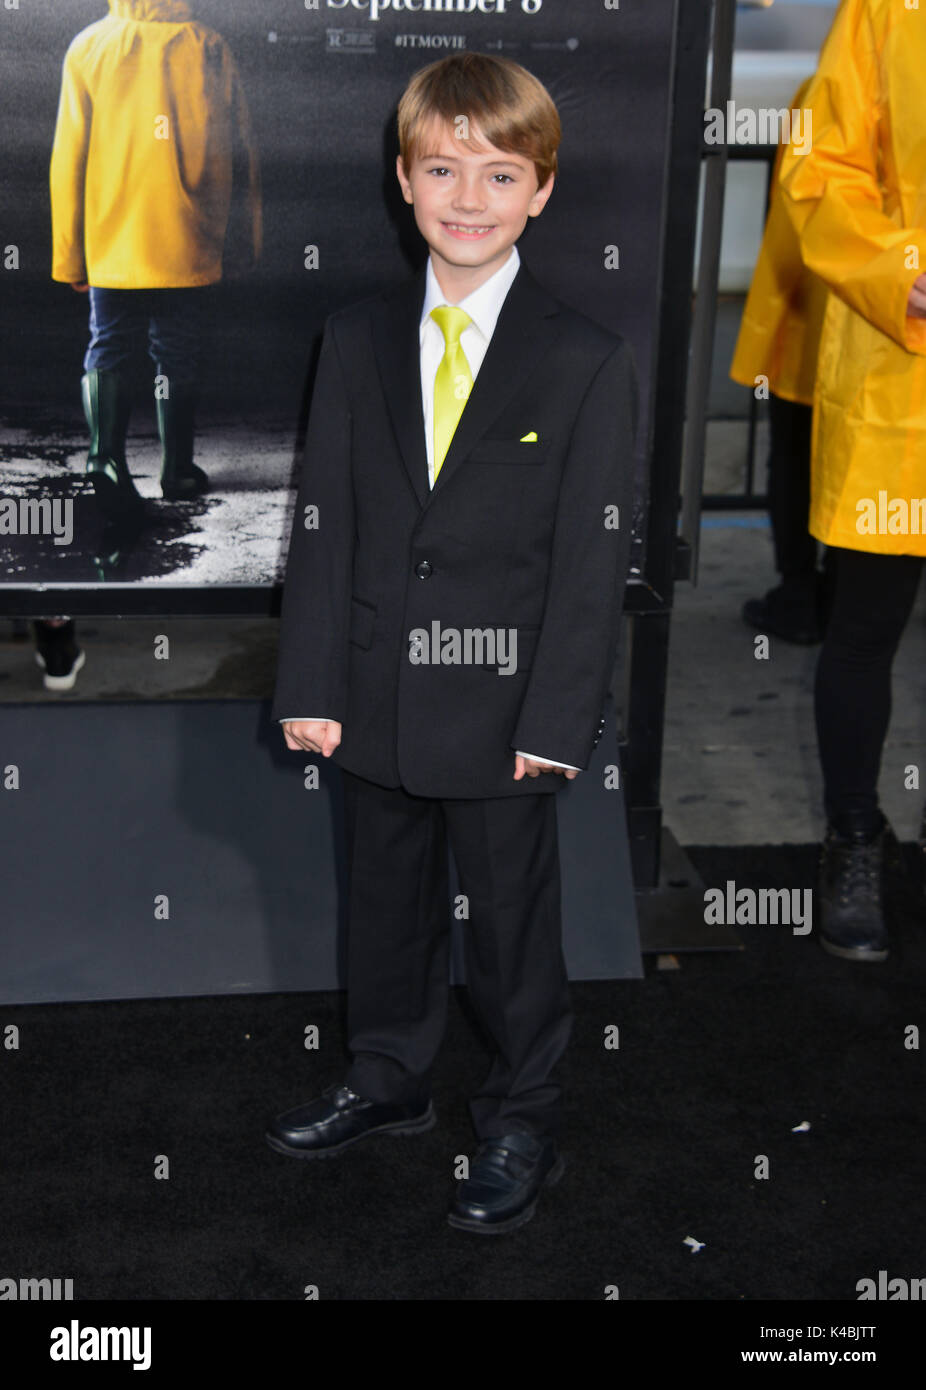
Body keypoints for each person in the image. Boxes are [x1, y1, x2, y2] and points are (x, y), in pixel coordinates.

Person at [267, 53, 638, 1233]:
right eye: (441, 168)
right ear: (402, 180)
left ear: (539, 191)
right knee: (382, 900)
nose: (466, 197)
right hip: (369, 690)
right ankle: (386, 1079)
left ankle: (522, 1109)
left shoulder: (584, 357)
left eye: (496, 172)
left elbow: (590, 565)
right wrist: (312, 680)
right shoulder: (356, 334)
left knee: (512, 919)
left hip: (505, 704)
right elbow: (322, 523)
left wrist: (555, 718)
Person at [777, 0, 926, 960]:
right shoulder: (885, 12)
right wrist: (895, 271)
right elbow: (819, 161)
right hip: (902, 358)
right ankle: (853, 835)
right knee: (866, 627)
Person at [49, 0, 261, 517]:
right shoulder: (209, 46)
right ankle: (177, 469)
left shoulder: (88, 47)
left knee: (109, 342)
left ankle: (104, 459)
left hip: (110, 237)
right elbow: (240, 149)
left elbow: (67, 157)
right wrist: (243, 241)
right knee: (177, 351)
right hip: (186, 235)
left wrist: (70, 254)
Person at [730, 77, 832, 645]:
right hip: (881, 325)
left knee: (794, 460)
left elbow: (792, 199)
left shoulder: (826, 91)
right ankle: (841, 588)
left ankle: (799, 592)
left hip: (806, 313)